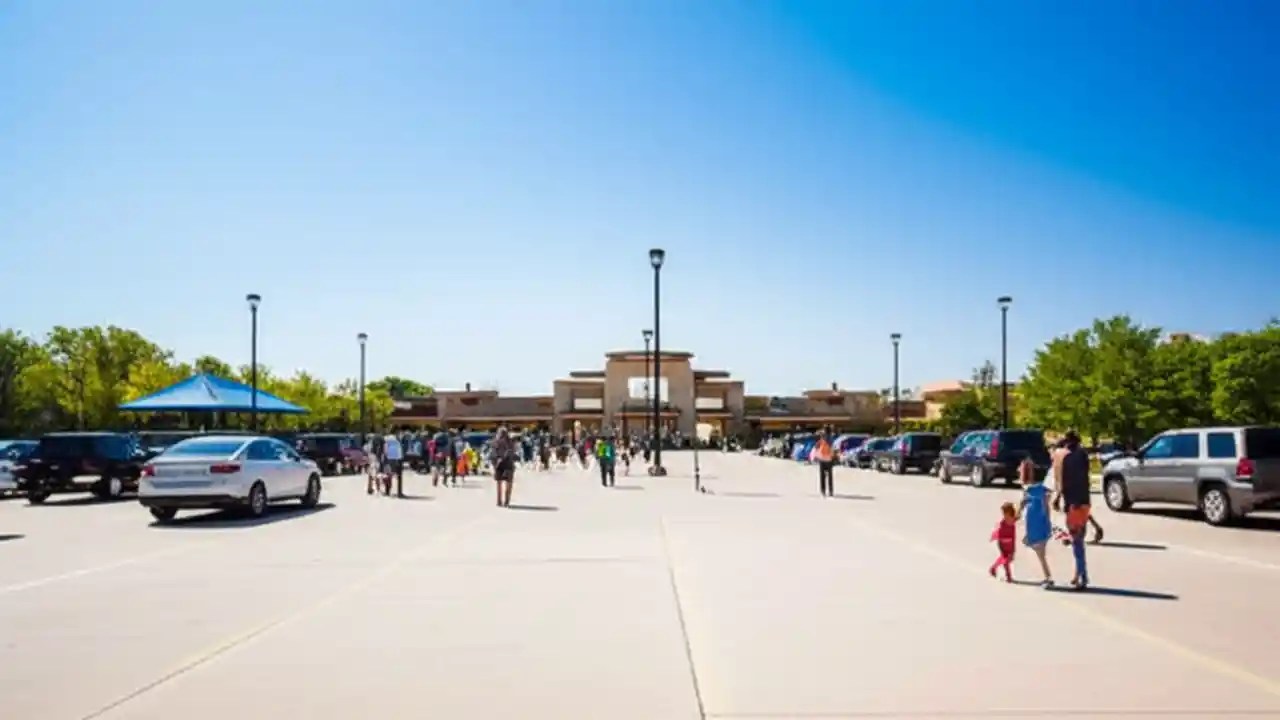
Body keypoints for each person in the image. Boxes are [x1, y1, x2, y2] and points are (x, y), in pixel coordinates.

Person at [1055, 431, 1092, 589]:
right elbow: (1085, 478)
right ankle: (1079, 574)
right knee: (1079, 539)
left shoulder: (1067, 458)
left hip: (1073, 503)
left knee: (1077, 542)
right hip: (1084, 502)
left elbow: (1065, 482)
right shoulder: (1083, 456)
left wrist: (1058, 498)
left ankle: (1082, 577)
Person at [1018, 456, 1055, 588]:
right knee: (1040, 550)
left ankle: (1048, 577)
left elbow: (1023, 503)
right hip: (1040, 519)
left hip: (1033, 520)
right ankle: (1047, 576)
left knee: (1039, 551)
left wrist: (1017, 514)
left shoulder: (1027, 489)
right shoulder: (1043, 489)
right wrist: (1048, 519)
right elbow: (1046, 505)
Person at [989, 501, 1018, 582]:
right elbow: (999, 535)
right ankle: (1008, 576)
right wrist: (1000, 546)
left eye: (1005, 513)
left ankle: (993, 568)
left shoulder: (1013, 522)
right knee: (1005, 559)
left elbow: (1013, 536)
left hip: (1010, 544)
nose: (1004, 515)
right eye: (1004, 513)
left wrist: (1013, 549)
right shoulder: (1002, 523)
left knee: (1006, 559)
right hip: (1002, 543)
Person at [492, 426, 517, 507]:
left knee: (499, 484)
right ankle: (506, 502)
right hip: (509, 464)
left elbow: (493, 454)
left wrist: (495, 463)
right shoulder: (511, 442)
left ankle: (499, 501)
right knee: (508, 484)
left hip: (499, 464)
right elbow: (513, 452)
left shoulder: (496, 441)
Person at [813, 430, 835, 497]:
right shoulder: (831, 441)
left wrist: (815, 457)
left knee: (822, 476)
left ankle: (823, 491)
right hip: (829, 460)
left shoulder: (820, 442)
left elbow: (816, 449)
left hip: (822, 460)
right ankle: (830, 491)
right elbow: (833, 450)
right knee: (830, 477)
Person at [383, 432, 405, 497]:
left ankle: (387, 490)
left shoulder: (386, 441)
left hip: (387, 459)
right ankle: (399, 492)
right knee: (396, 475)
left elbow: (385, 451)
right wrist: (400, 459)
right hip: (395, 459)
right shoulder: (397, 442)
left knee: (387, 475)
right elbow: (400, 451)